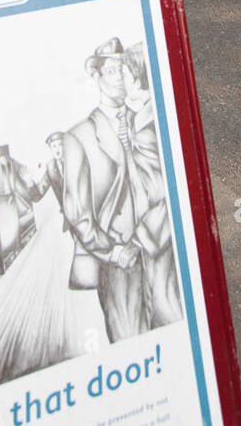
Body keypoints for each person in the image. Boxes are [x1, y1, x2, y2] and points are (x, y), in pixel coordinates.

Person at [60, 37, 182, 344]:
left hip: (162, 253)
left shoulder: (148, 118)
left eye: (122, 69)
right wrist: (112, 252)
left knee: (177, 333)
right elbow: (77, 212)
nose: (118, 78)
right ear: (97, 76)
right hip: (119, 262)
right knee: (132, 343)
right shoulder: (79, 137)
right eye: (111, 71)